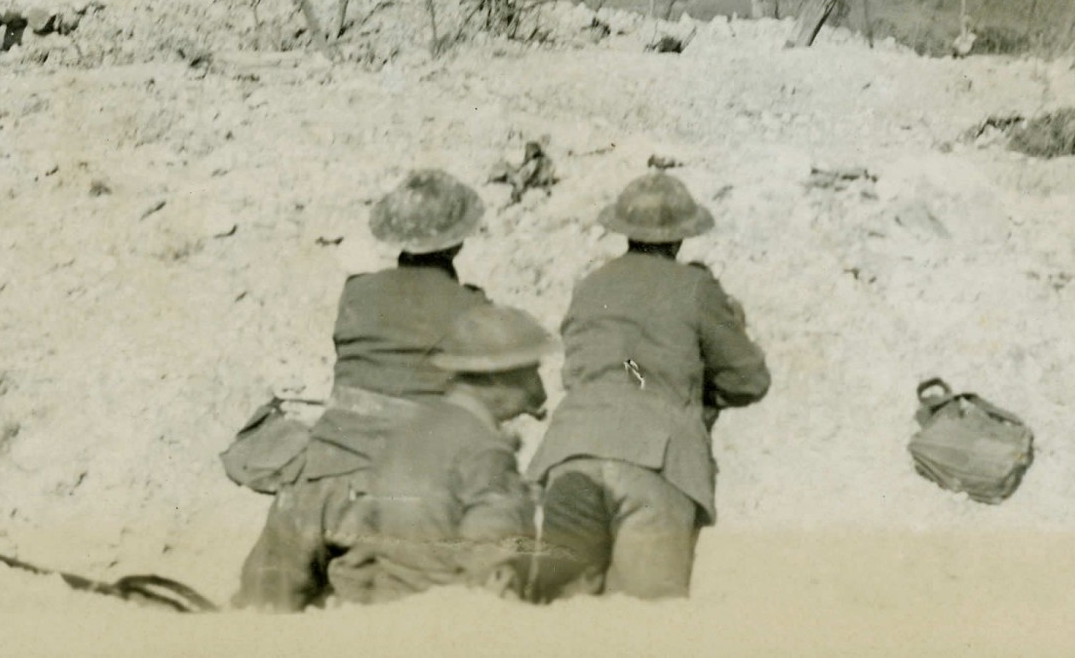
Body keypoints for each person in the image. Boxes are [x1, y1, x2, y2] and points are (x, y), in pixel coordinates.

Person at [235, 168, 490, 611]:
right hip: (400, 495)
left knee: (253, 621)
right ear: (459, 240)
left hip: (316, 481)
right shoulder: (473, 310)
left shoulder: (357, 293)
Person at [526, 171, 770, 601]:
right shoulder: (695, 287)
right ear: (680, 238)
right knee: (644, 626)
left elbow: (590, 365)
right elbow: (748, 379)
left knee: (560, 618)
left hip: (571, 451)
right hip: (654, 460)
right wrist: (699, 393)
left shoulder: (591, 285)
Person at [325, 304, 550, 605]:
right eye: (531, 372)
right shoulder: (484, 450)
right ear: (498, 379)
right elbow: (493, 567)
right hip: (445, 622)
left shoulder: (408, 431)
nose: (539, 388)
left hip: (384, 612)